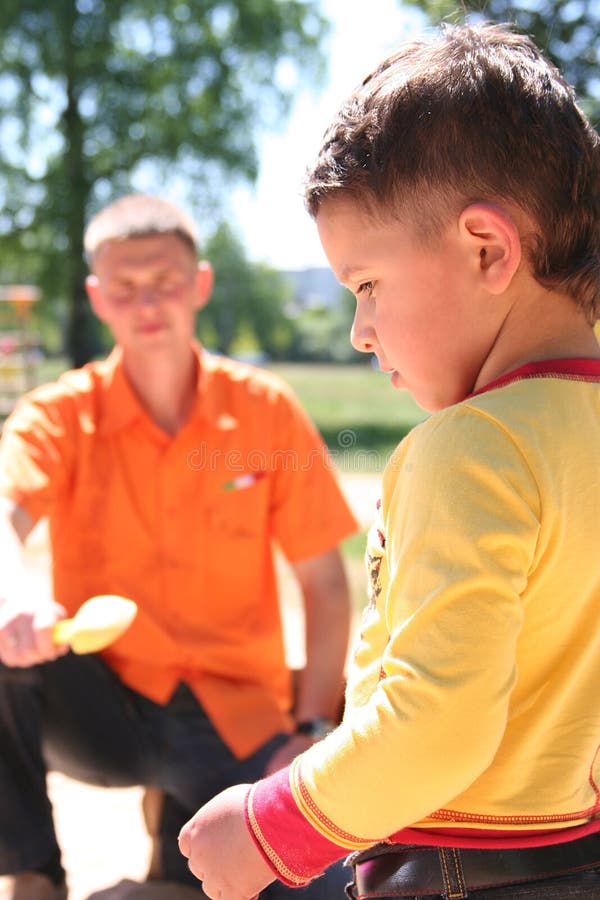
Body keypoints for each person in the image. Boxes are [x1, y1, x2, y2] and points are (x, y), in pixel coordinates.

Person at [177, 21, 600, 900]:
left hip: (453, 871)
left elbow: (438, 722)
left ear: (487, 249)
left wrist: (268, 827)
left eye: (367, 285)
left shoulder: (473, 446)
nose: (362, 332)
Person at [0, 193, 359, 900]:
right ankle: (33, 873)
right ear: (97, 298)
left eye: (165, 281)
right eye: (125, 288)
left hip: (241, 716)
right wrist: (13, 599)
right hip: (106, 707)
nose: (147, 304)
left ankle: (177, 836)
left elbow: (324, 580)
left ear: (199, 284)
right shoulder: (59, 415)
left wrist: (313, 728)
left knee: (321, 892)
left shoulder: (266, 411)